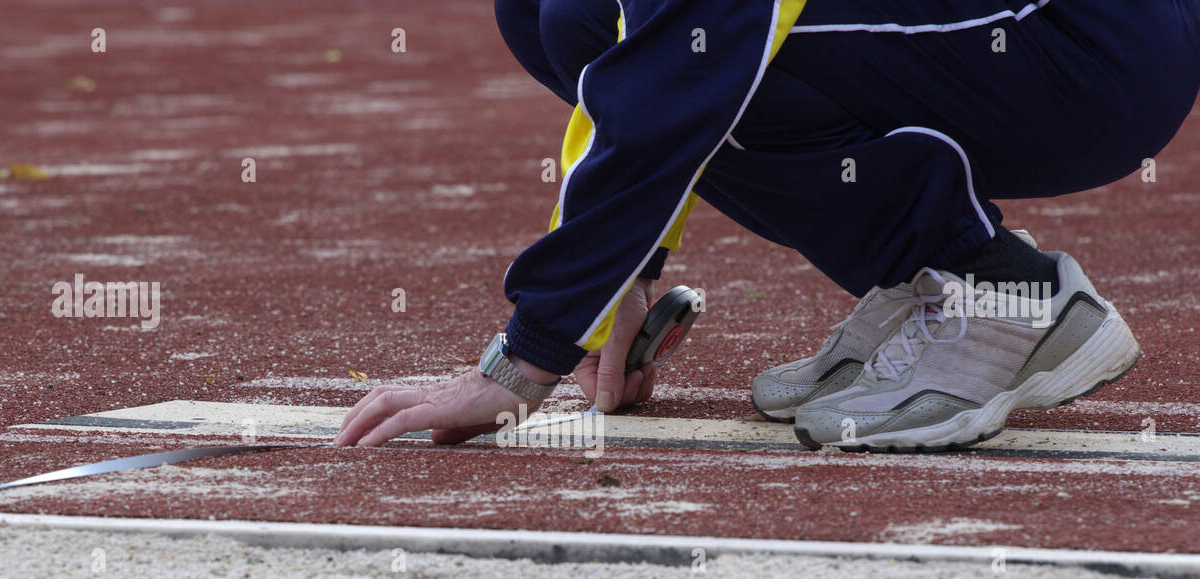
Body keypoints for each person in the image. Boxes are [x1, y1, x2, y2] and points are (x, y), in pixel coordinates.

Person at [337, 1, 1200, 452]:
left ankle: (1002, 295)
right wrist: (622, 281)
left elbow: (695, 44)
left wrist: (527, 359)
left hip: (1090, 40)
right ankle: (946, 274)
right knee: (558, 8)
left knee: (688, 38)